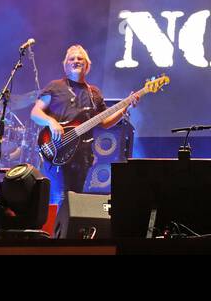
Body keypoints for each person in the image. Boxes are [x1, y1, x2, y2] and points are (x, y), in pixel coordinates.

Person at [30, 44, 138, 208]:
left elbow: (105, 123)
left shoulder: (93, 93)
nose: (76, 61)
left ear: (87, 65)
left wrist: (125, 107)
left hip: (82, 155)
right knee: (60, 198)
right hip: (56, 149)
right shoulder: (55, 86)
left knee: (74, 200)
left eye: (80, 58)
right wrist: (51, 122)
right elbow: (36, 113)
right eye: (71, 58)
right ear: (66, 65)